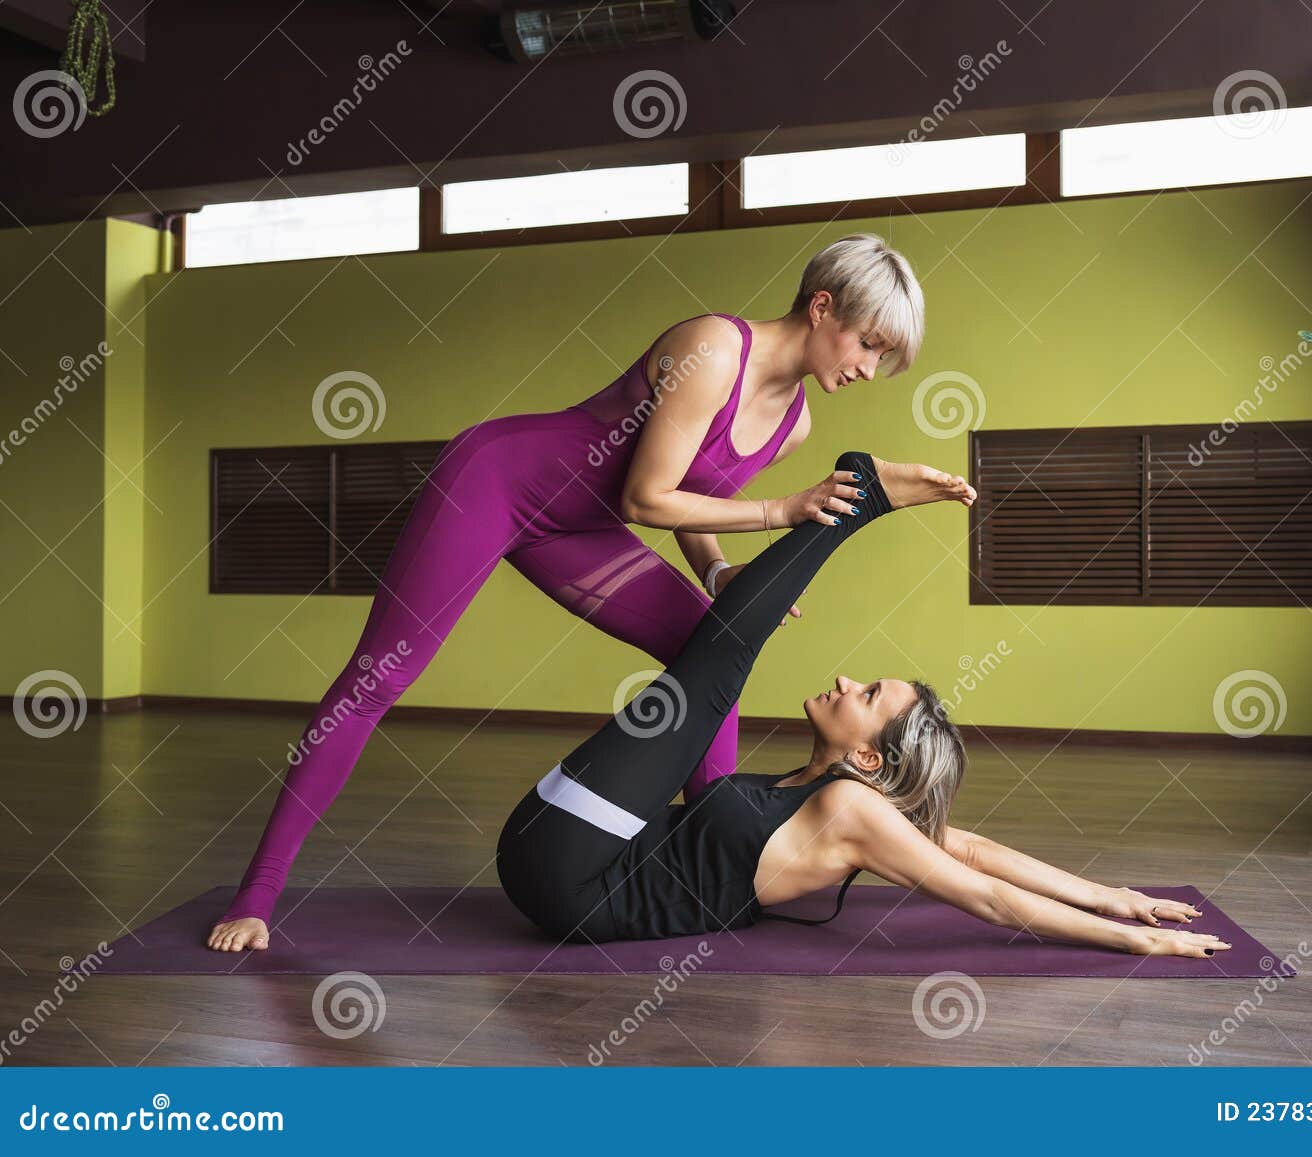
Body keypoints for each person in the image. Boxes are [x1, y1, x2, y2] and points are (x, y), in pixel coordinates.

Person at [208, 234, 927, 952]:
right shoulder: (713, 351)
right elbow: (648, 498)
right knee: (381, 676)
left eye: (883, 358)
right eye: (867, 344)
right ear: (822, 306)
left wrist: (716, 574)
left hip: (575, 528)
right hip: (494, 482)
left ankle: (718, 844)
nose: (868, 368)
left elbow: (691, 497)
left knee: (712, 641)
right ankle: (257, 895)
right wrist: (781, 510)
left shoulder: (794, 423)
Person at [493, 451, 1232, 959]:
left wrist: (1137, 941)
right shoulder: (824, 792)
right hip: (569, 846)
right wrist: (1112, 896)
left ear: (869, 755)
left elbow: (986, 897)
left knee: (714, 667)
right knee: (710, 666)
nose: (846, 680)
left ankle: (856, 496)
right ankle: (855, 495)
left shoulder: (852, 812)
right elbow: (970, 847)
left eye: (868, 695)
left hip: (570, 880)